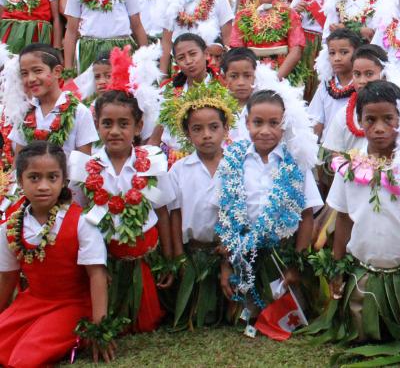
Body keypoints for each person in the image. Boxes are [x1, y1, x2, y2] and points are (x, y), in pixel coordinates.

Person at [311, 80, 400, 348]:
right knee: (365, 334)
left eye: (388, 119)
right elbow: (343, 218)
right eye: (371, 120)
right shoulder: (348, 170)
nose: (379, 128)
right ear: (359, 122)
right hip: (362, 274)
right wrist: (337, 268)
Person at [69, 48, 175, 333]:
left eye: (123, 124)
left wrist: (168, 259)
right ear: (96, 125)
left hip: (145, 258)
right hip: (107, 262)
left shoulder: (151, 163)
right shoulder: (84, 168)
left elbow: (162, 213)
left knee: (148, 321)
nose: (114, 131)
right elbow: (79, 217)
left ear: (139, 125)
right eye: (107, 124)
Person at [0, 141, 114, 366]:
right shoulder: (10, 227)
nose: (43, 186)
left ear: (64, 181)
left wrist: (99, 329)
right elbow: (7, 277)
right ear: (20, 181)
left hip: (73, 305)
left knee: (23, 358)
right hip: (32, 302)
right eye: (34, 177)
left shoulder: (81, 222)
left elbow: (97, 275)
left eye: (52, 177)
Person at [216, 86, 322, 325]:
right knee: (245, 316)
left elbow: (306, 216)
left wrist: (296, 263)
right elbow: (224, 213)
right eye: (258, 122)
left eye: (274, 123)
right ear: (246, 122)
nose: (265, 131)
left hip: (281, 254)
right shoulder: (233, 161)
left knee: (286, 312)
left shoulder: (295, 162)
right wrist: (227, 263)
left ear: (284, 124)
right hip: (243, 253)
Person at [162, 80, 237, 328]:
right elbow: (175, 215)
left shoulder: (236, 165)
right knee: (200, 317)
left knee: (231, 313)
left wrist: (229, 255)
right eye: (197, 129)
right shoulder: (179, 169)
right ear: (187, 134)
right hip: (194, 252)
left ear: (225, 128)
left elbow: (239, 213)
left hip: (228, 250)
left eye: (213, 127)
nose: (206, 134)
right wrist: (179, 258)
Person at [7, 44, 97, 157]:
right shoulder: (24, 112)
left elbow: (83, 162)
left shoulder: (79, 112)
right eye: (24, 73)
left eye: (38, 71)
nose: (31, 79)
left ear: (57, 72)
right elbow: (18, 161)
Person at [229, 0, 306, 84]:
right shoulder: (242, 15)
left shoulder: (289, 13)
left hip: (284, 77)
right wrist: (252, 78)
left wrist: (275, 80)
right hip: (251, 77)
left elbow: (296, 51)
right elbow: (237, 51)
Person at [321, 44, 389, 156]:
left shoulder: (397, 110)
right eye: (357, 74)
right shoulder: (343, 114)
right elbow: (335, 154)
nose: (362, 81)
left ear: (384, 75)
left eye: (369, 74)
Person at [310, 28, 361, 140]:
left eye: (344, 52)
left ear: (357, 53)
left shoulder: (362, 84)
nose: (337, 58)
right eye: (332, 53)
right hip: (328, 149)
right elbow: (316, 121)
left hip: (356, 149)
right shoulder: (326, 84)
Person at [220, 47, 257, 143]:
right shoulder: (218, 106)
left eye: (247, 76)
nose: (241, 82)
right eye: (234, 76)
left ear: (255, 76)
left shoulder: (263, 104)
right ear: (224, 78)